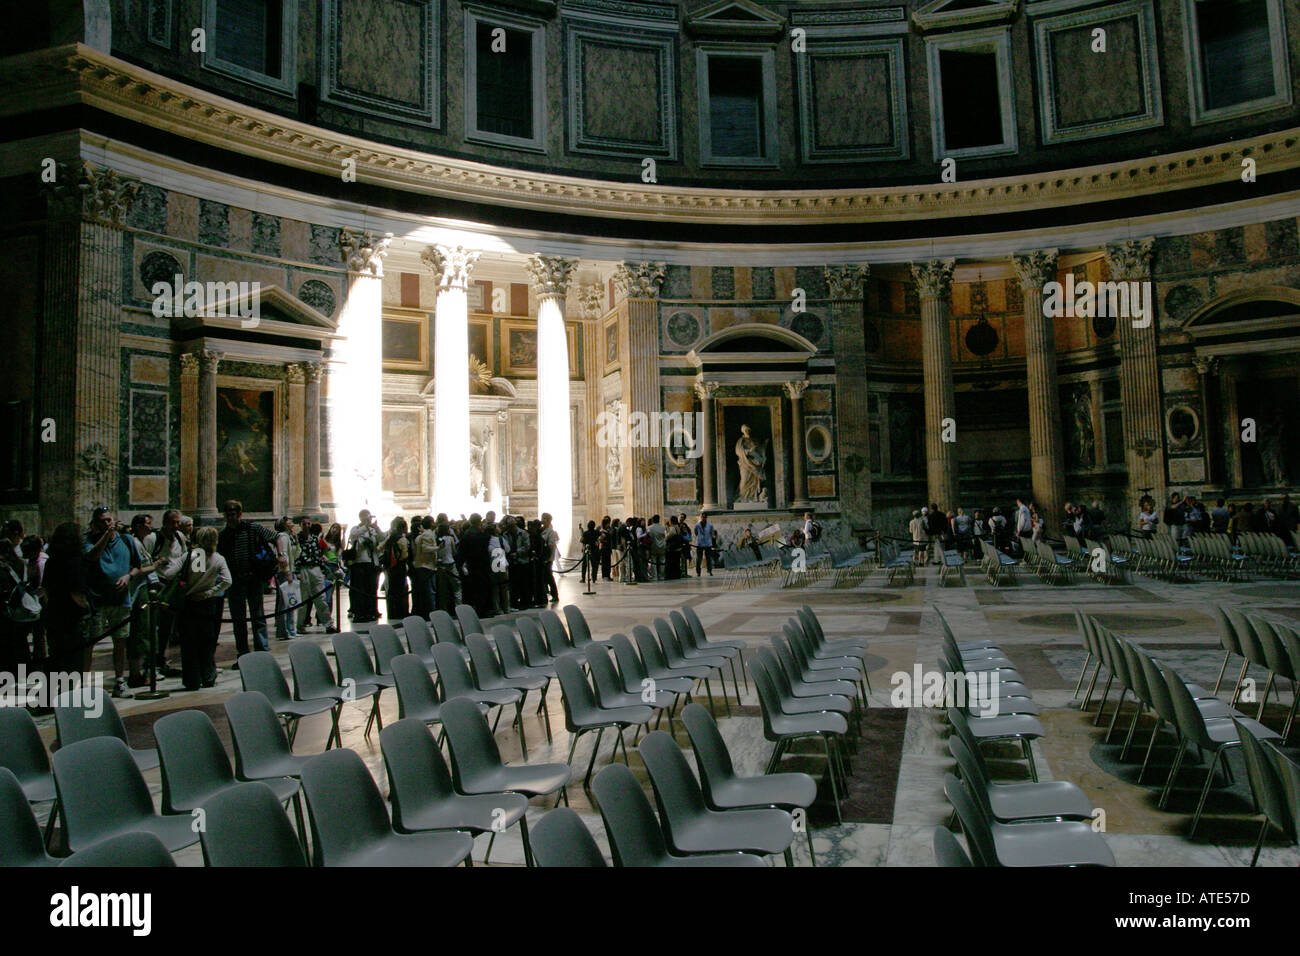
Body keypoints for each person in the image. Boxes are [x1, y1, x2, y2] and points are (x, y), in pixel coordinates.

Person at [83, 506, 150, 696]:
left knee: (120, 641)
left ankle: (120, 680)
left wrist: (128, 576)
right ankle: (84, 684)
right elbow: (91, 556)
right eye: (102, 521)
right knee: (91, 642)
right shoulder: (89, 541)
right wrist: (105, 536)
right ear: (95, 524)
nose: (107, 524)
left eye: (109, 520)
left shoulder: (127, 540)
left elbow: (137, 567)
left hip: (121, 600)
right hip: (97, 600)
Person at [217, 500, 275, 662]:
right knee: (238, 620)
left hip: (253, 578)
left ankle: (262, 651)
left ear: (240, 514)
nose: (230, 517)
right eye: (228, 514)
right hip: (235, 581)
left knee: (258, 616)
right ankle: (243, 654)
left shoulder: (253, 529)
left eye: (233, 514)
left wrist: (282, 556)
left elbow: (277, 537)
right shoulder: (223, 536)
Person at [180, 525, 231, 691]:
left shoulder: (198, 556)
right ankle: (208, 676)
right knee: (207, 641)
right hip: (208, 603)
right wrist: (210, 592)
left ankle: (192, 680)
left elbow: (195, 581)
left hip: (192, 602)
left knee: (190, 643)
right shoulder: (218, 558)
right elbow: (226, 581)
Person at [42, 523, 91, 677]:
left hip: (53, 614)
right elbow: (76, 593)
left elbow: (46, 589)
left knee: (55, 657)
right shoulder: (75, 562)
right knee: (73, 661)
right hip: (71, 617)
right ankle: (69, 696)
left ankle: (48, 695)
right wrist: (87, 610)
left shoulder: (51, 560)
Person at [143, 510, 187, 677]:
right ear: (165, 522)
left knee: (167, 629)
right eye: (173, 522)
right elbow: (145, 562)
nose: (176, 526)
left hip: (174, 586)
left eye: (178, 523)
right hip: (157, 586)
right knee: (154, 627)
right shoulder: (153, 539)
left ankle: (163, 661)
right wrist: (155, 583)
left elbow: (183, 557)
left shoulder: (180, 538)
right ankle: (150, 665)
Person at [294, 519, 336, 634]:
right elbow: (296, 556)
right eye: (304, 524)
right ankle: (300, 625)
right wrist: (296, 571)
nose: (307, 526)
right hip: (304, 569)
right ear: (300, 525)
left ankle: (328, 624)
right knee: (303, 600)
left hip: (316, 569)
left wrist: (323, 569)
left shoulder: (315, 539)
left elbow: (319, 554)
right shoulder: (297, 539)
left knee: (321, 598)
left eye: (308, 524)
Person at [346, 510, 382, 623]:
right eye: (366, 518)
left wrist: (377, 529)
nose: (369, 520)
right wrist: (365, 526)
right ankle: (359, 612)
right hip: (359, 563)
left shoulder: (372, 530)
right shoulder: (355, 529)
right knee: (360, 589)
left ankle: (371, 611)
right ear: (361, 517)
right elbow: (353, 536)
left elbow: (381, 539)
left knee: (371, 588)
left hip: (372, 562)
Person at [272, 516, 300, 641]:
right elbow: (282, 555)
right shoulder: (282, 536)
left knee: (291, 601)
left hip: (290, 571)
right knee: (284, 602)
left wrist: (296, 541)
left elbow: (295, 554)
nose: (292, 523)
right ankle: (283, 630)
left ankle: (291, 629)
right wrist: (287, 571)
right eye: (289, 521)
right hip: (284, 572)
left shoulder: (289, 537)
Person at [380, 517, 410, 621]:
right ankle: (401, 612)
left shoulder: (390, 538)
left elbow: (380, 547)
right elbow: (404, 555)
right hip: (399, 567)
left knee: (391, 590)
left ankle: (392, 612)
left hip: (389, 568)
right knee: (401, 590)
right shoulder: (402, 539)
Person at [486, 521, 510, 616]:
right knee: (504, 588)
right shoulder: (501, 539)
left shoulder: (487, 540)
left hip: (492, 565)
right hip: (502, 564)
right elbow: (508, 549)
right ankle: (506, 608)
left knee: (495, 588)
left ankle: (497, 608)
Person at [540, 513, 560, 602]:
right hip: (542, 557)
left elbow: (551, 545)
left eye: (544, 518)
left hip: (547, 558)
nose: (542, 520)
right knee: (544, 576)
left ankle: (555, 594)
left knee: (549, 576)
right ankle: (545, 593)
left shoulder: (550, 531)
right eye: (542, 518)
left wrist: (548, 557)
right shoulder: (541, 530)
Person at [694, 513, 716, 577]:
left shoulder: (710, 525)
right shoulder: (697, 525)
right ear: (701, 517)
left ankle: (709, 570)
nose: (703, 518)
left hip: (707, 543)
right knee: (699, 558)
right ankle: (698, 572)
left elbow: (712, 533)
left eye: (704, 517)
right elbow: (696, 532)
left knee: (708, 558)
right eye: (702, 517)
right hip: (699, 543)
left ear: (706, 518)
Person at [647, 514, 667, 580]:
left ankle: (654, 576)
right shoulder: (663, 528)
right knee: (662, 561)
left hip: (654, 546)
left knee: (654, 562)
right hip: (662, 546)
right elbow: (665, 536)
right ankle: (662, 576)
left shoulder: (649, 528)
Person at [665, 516, 683, 581]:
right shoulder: (677, 527)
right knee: (677, 562)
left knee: (672, 563)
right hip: (678, 547)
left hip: (673, 548)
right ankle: (677, 574)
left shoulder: (673, 528)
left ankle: (672, 575)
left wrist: (666, 532)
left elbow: (667, 537)